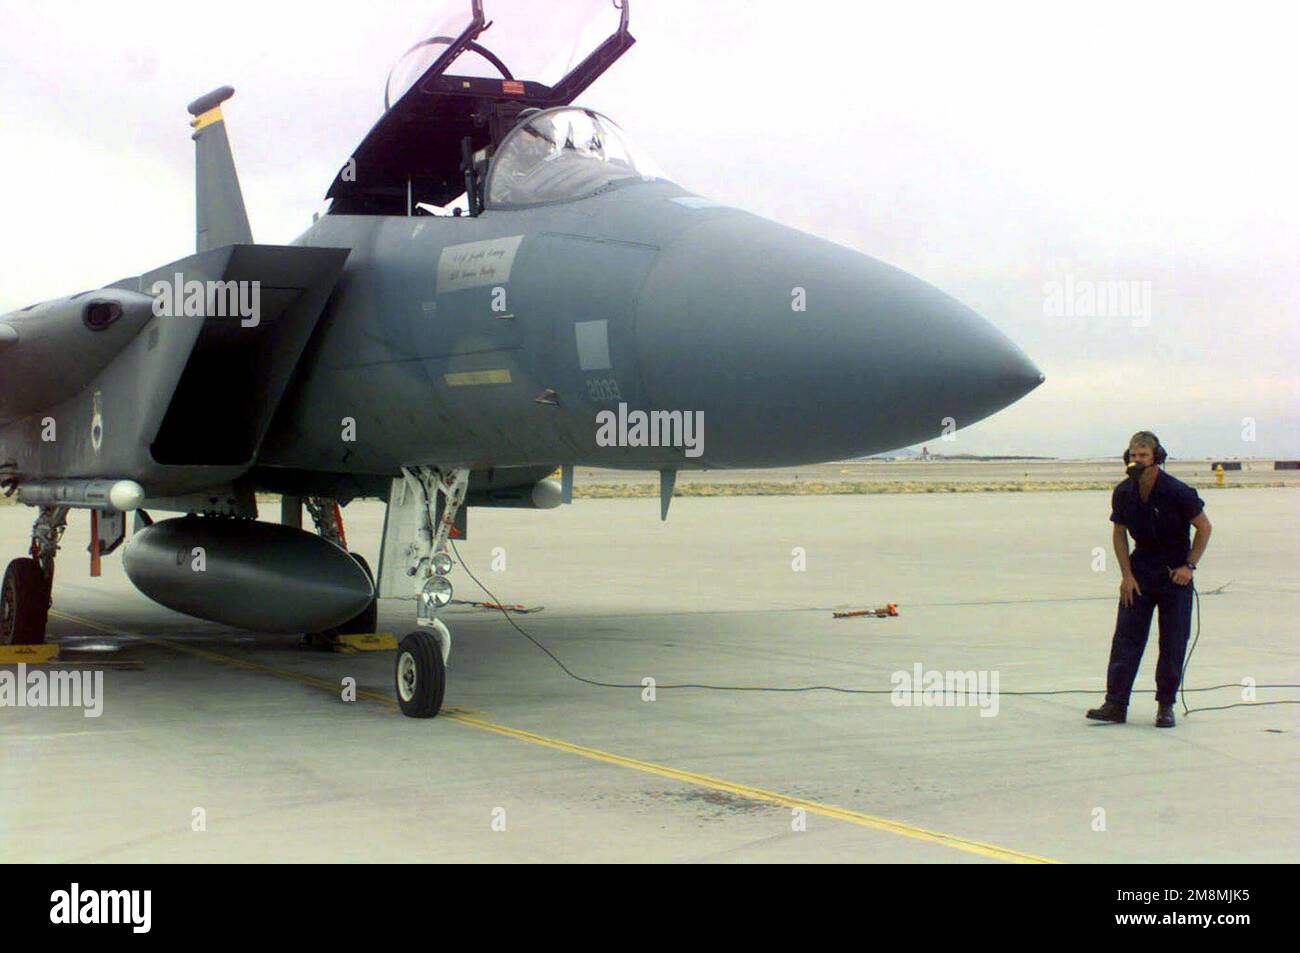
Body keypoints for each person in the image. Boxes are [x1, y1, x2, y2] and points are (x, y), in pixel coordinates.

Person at [1087, 431, 1212, 728]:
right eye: (1133, 455)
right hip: (1140, 573)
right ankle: (1115, 703)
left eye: (1143, 455)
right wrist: (1126, 575)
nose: (1137, 460)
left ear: (1157, 458)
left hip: (1174, 576)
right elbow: (1118, 533)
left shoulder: (1178, 491)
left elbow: (1204, 527)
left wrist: (1189, 566)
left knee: (1172, 641)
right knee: (1126, 639)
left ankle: (1165, 705)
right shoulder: (1123, 492)